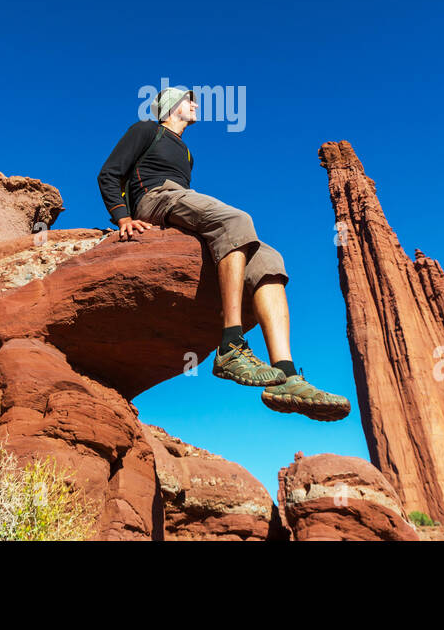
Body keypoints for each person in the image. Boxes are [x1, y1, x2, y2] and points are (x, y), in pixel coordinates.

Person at [96, 86, 350, 421]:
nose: (196, 104)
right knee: (237, 219)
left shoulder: (186, 152)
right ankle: (231, 345)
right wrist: (123, 217)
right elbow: (110, 173)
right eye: (189, 100)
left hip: (181, 202)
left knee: (269, 259)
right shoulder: (146, 129)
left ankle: (286, 376)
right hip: (155, 197)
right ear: (172, 107)